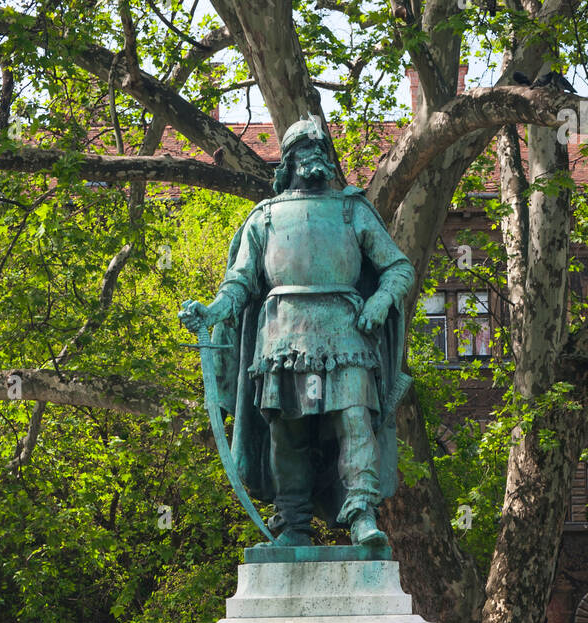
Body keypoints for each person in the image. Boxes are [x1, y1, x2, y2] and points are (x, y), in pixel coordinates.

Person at [178, 114, 415, 550]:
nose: (315, 157)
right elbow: (240, 280)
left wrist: (381, 302)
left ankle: (362, 512)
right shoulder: (264, 217)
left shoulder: (353, 209)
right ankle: (293, 524)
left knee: (354, 420)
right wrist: (211, 312)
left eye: (321, 149)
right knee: (287, 431)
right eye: (305, 150)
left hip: (346, 333)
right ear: (288, 161)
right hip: (282, 336)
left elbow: (398, 266)